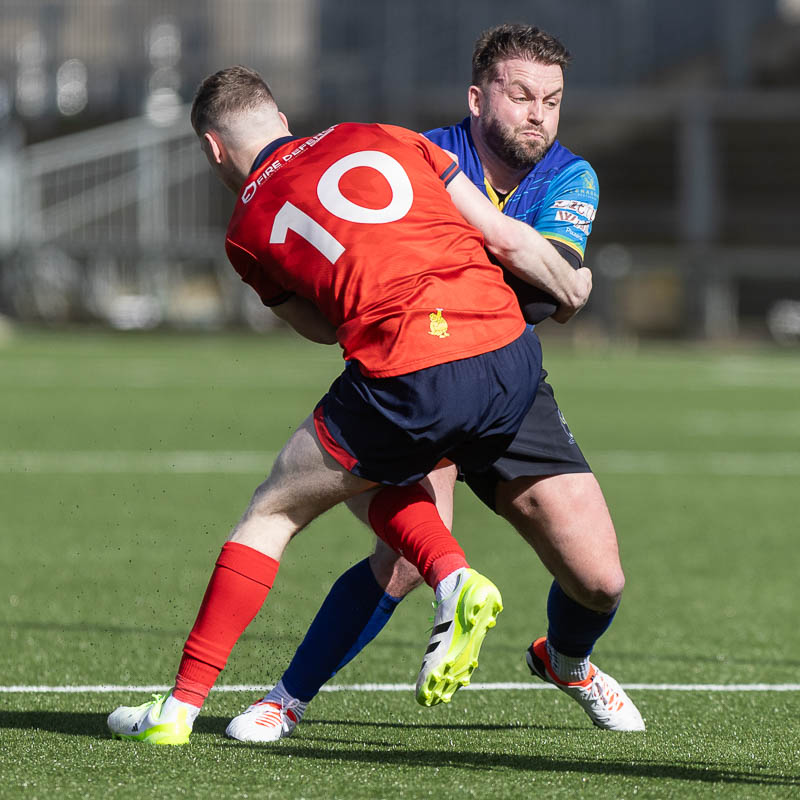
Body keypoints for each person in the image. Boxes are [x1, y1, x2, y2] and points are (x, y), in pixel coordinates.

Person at [106, 64, 592, 745]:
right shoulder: (384, 135)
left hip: (413, 370)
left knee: (275, 507)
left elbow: (315, 325)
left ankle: (178, 709)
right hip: (511, 353)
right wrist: (570, 291)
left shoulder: (245, 226)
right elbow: (508, 239)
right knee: (370, 479)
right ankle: (450, 578)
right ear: (279, 118)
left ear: (215, 150)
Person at [247, 23, 646, 741]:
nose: (538, 114)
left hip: (509, 382)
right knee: (401, 562)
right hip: (415, 375)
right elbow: (542, 284)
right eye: (521, 95)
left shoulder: (568, 176)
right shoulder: (417, 155)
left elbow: (533, 293)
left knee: (600, 581)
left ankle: (566, 660)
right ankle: (284, 699)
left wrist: (486, 273)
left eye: (552, 100)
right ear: (476, 97)